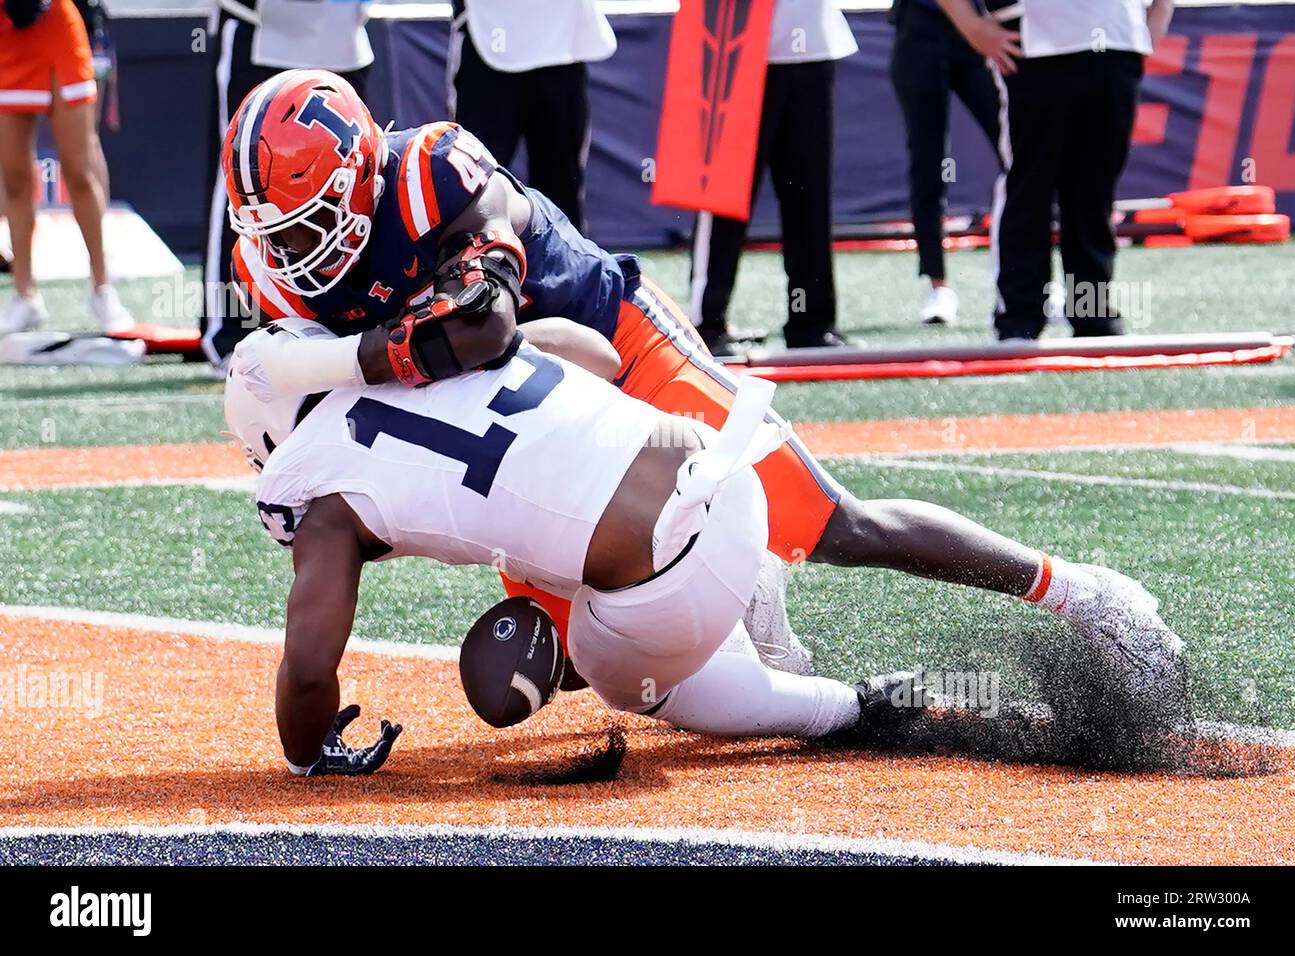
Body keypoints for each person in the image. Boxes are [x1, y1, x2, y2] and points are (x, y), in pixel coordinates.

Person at [219, 70, 1179, 684]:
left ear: (360, 178)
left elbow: (483, 327)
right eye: (274, 232)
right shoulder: (272, 266)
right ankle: (803, 672)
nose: (293, 254)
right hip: (531, 420)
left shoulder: (437, 169)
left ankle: (1079, 592)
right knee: (538, 670)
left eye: (307, 223)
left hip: (614, 343)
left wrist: (347, 357)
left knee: (833, 525)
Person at [225, 320, 1185, 775]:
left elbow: (310, 657)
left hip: (665, 583)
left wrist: (308, 752)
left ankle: (847, 709)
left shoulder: (319, 487)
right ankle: (746, 583)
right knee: (550, 582)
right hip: (717, 470)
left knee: (616, 680)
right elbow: (592, 356)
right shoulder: (440, 339)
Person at [937, 0, 1175, 340]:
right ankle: (1019, 318)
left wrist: (1158, 15)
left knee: (1094, 191)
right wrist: (970, 25)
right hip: (1031, 41)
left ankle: (1091, 314)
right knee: (1028, 186)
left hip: (1115, 41)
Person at [199, 0, 374, 371]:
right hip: (264, 28)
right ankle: (231, 325)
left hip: (343, 36)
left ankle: (350, 316)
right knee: (243, 183)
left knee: (354, 182)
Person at [688, 0, 857, 356]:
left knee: (809, 196)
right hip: (734, 47)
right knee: (723, 198)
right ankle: (707, 322)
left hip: (810, 47)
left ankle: (811, 321)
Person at [0, 0, 134, 334]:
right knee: (15, 177)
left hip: (57, 25)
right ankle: (24, 294)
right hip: (6, 34)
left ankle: (102, 287)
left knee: (79, 171)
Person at [448, 0, 614, 231]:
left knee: (562, 190)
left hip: (562, 47)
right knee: (476, 183)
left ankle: (563, 265)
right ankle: (473, 264)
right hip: (488, 44)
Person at [889, 0, 1001, 325]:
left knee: (1022, 154)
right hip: (920, 28)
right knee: (928, 164)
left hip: (984, 23)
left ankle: (1039, 282)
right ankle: (938, 285)